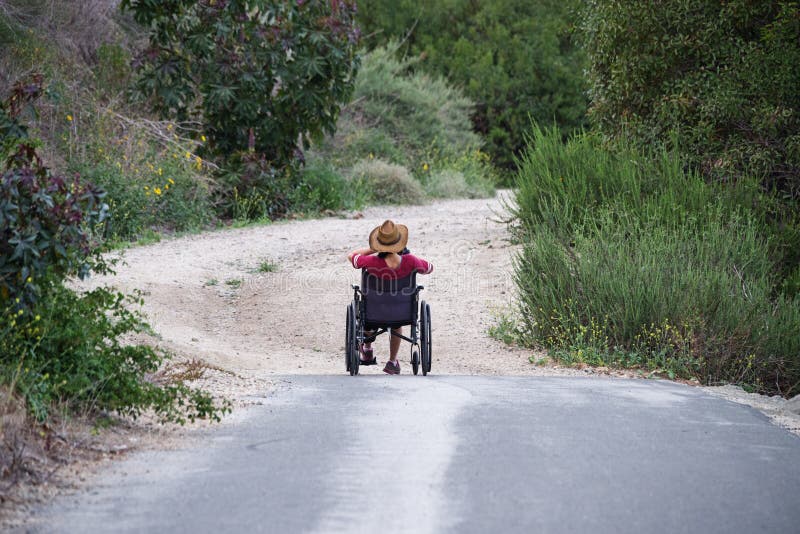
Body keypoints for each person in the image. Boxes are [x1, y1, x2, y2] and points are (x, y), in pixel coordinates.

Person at [347, 220, 434, 374]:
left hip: (373, 312)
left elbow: (352, 256)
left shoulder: (370, 261)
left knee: (366, 318)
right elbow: (429, 268)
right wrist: (413, 258)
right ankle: (392, 362)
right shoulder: (411, 261)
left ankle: (367, 349)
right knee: (395, 320)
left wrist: (372, 249)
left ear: (379, 245)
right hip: (401, 313)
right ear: (399, 244)